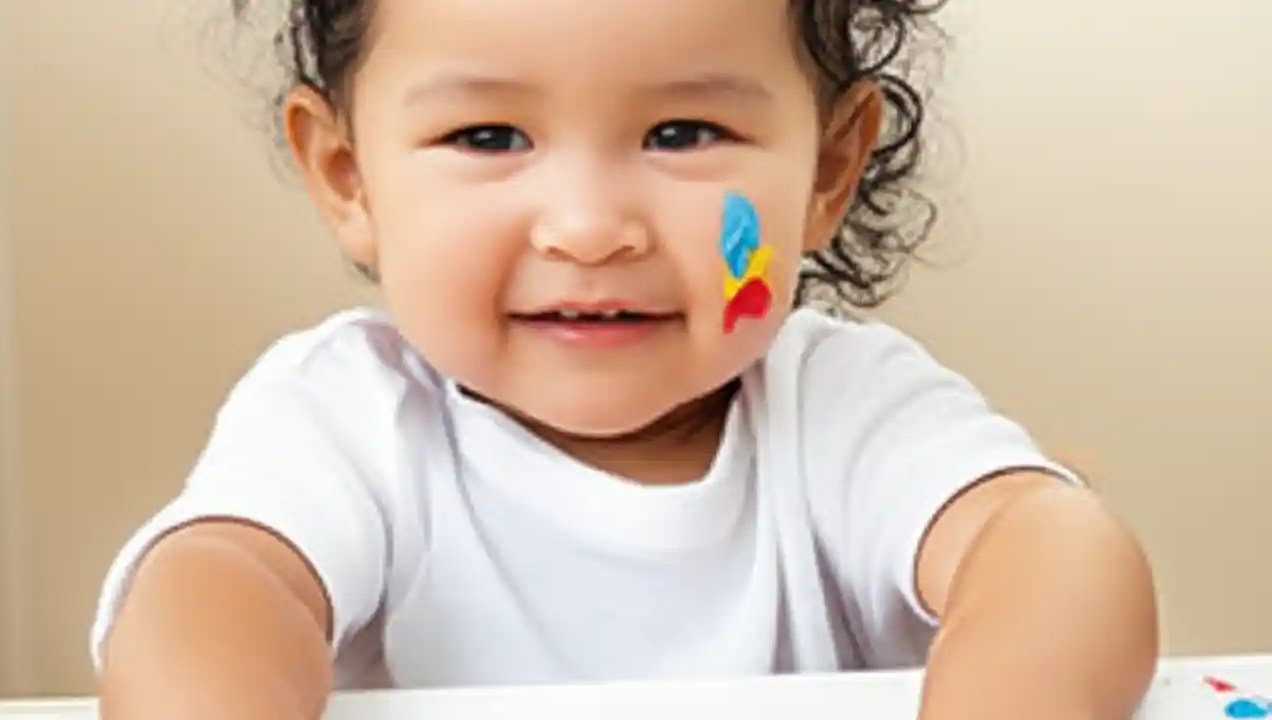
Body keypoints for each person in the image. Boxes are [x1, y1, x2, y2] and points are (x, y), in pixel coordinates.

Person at [91, 1, 1159, 718]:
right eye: (489, 137)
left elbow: (1055, 550)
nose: (590, 228)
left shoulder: (836, 401)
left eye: (682, 133)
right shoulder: (350, 416)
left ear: (827, 170)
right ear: (348, 177)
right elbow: (208, 591)